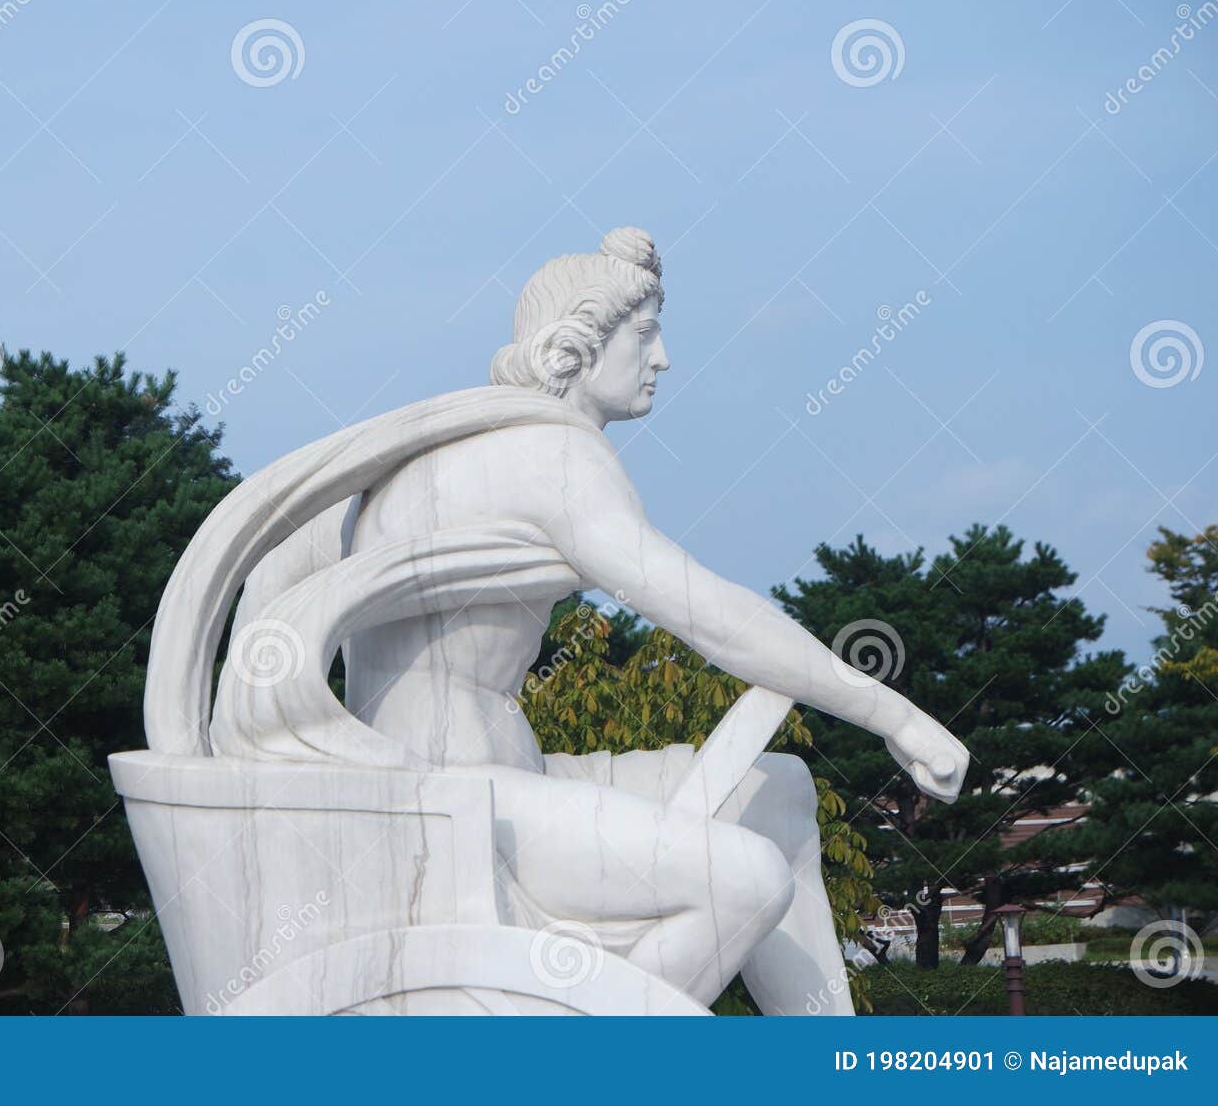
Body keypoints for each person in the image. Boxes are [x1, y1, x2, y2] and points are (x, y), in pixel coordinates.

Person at [202, 228, 969, 1014]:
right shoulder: (551, 457)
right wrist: (894, 715)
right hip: (457, 795)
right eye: (645, 333)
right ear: (577, 343)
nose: (663, 357)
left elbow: (271, 585)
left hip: (499, 776)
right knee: (744, 879)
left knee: (779, 789)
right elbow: (714, 617)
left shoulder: (448, 450)